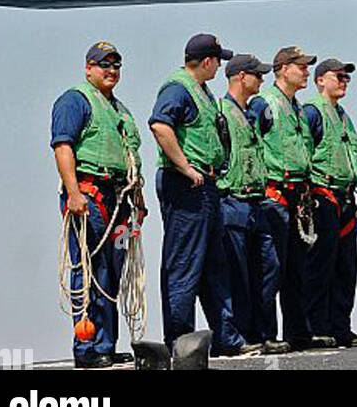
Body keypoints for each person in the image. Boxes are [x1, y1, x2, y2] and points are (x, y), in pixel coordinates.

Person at [149, 33, 254, 357]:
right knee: (184, 265)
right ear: (207, 61)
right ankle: (181, 343)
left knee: (214, 266)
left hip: (206, 188)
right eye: (217, 60)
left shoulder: (203, 92)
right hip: (187, 188)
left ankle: (226, 339)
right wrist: (186, 168)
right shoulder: (178, 88)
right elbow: (160, 125)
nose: (219, 65)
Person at [51, 41, 146, 369]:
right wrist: (74, 193)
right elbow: (63, 146)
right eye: (104, 65)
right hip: (89, 199)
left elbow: (132, 158)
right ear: (89, 68)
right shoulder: (75, 100)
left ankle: (106, 343)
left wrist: (139, 202)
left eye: (116, 66)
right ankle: (87, 348)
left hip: (120, 200)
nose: (111, 71)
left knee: (113, 272)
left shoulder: (120, 109)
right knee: (88, 271)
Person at [251, 45, 331, 349]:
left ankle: (299, 332)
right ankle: (266, 334)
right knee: (271, 268)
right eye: (301, 66)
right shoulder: (264, 104)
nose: (307, 72)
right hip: (275, 196)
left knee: (298, 270)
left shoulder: (297, 107)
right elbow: (249, 141)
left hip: (298, 196)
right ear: (283, 69)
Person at [217, 55, 290, 356]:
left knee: (268, 266)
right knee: (237, 273)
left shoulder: (250, 112)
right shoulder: (221, 112)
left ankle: (263, 332)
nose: (262, 80)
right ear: (240, 77)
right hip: (232, 199)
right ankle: (241, 334)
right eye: (257, 76)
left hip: (256, 201)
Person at [301, 58, 357, 348]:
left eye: (347, 77)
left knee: (345, 268)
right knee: (320, 266)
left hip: (345, 198)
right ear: (320, 80)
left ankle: (340, 326)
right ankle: (316, 327)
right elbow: (305, 151)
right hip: (323, 195)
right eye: (338, 76)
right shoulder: (312, 113)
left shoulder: (344, 117)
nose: (344, 81)